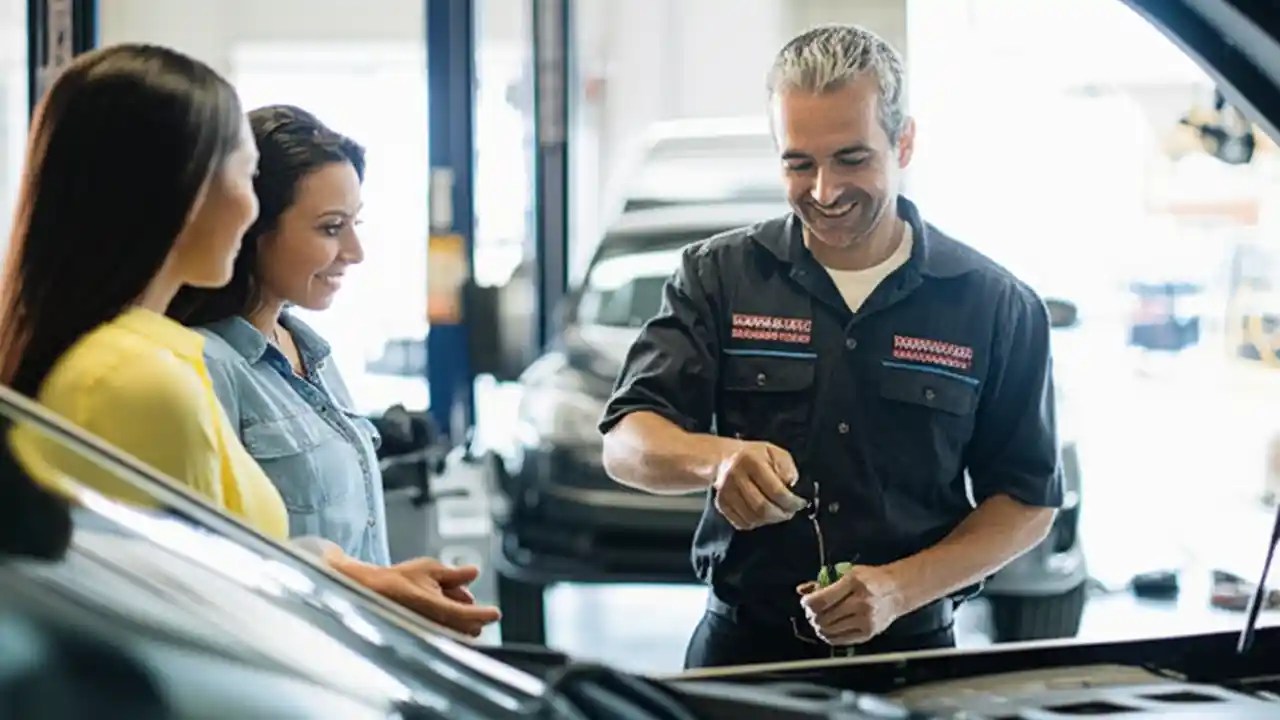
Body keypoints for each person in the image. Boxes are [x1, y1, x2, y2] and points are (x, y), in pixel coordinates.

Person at [599, 24, 1062, 668]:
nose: (824, 191)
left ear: (904, 142)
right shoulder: (719, 276)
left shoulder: (994, 304)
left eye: (851, 159)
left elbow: (1027, 502)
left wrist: (900, 590)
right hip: (742, 660)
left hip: (911, 657)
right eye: (799, 164)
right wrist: (716, 461)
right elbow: (627, 441)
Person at [0, 44, 499, 637]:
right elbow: (190, 624)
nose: (249, 207)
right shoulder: (137, 379)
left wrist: (356, 578)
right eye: (243, 174)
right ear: (179, 192)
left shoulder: (164, 358)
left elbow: (221, 561)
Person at [168, 105, 389, 566]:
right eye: (331, 227)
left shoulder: (311, 353)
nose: (355, 252)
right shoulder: (208, 367)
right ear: (250, 226)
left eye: (355, 223)